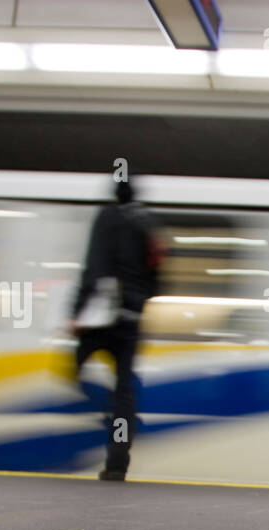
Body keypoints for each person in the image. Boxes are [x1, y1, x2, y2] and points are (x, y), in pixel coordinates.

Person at [69, 176, 164, 481]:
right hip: (131, 321)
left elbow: (94, 266)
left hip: (102, 320)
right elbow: (158, 277)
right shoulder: (147, 223)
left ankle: (99, 416)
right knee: (124, 393)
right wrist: (139, 302)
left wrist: (77, 313)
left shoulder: (108, 216)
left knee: (72, 368)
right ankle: (117, 462)